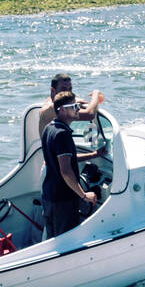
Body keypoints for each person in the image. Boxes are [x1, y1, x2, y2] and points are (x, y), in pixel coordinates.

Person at [39, 90, 97, 239]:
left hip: (49, 196)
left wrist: (94, 155)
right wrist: (84, 195)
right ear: (63, 109)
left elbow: (64, 160)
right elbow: (66, 171)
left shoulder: (49, 128)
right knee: (66, 242)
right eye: (75, 106)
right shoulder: (62, 134)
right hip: (63, 200)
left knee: (53, 239)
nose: (79, 109)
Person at [38, 72, 105, 139]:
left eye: (70, 89)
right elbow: (89, 114)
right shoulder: (53, 108)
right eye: (63, 89)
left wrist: (75, 102)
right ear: (53, 91)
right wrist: (96, 94)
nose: (68, 93)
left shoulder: (51, 100)